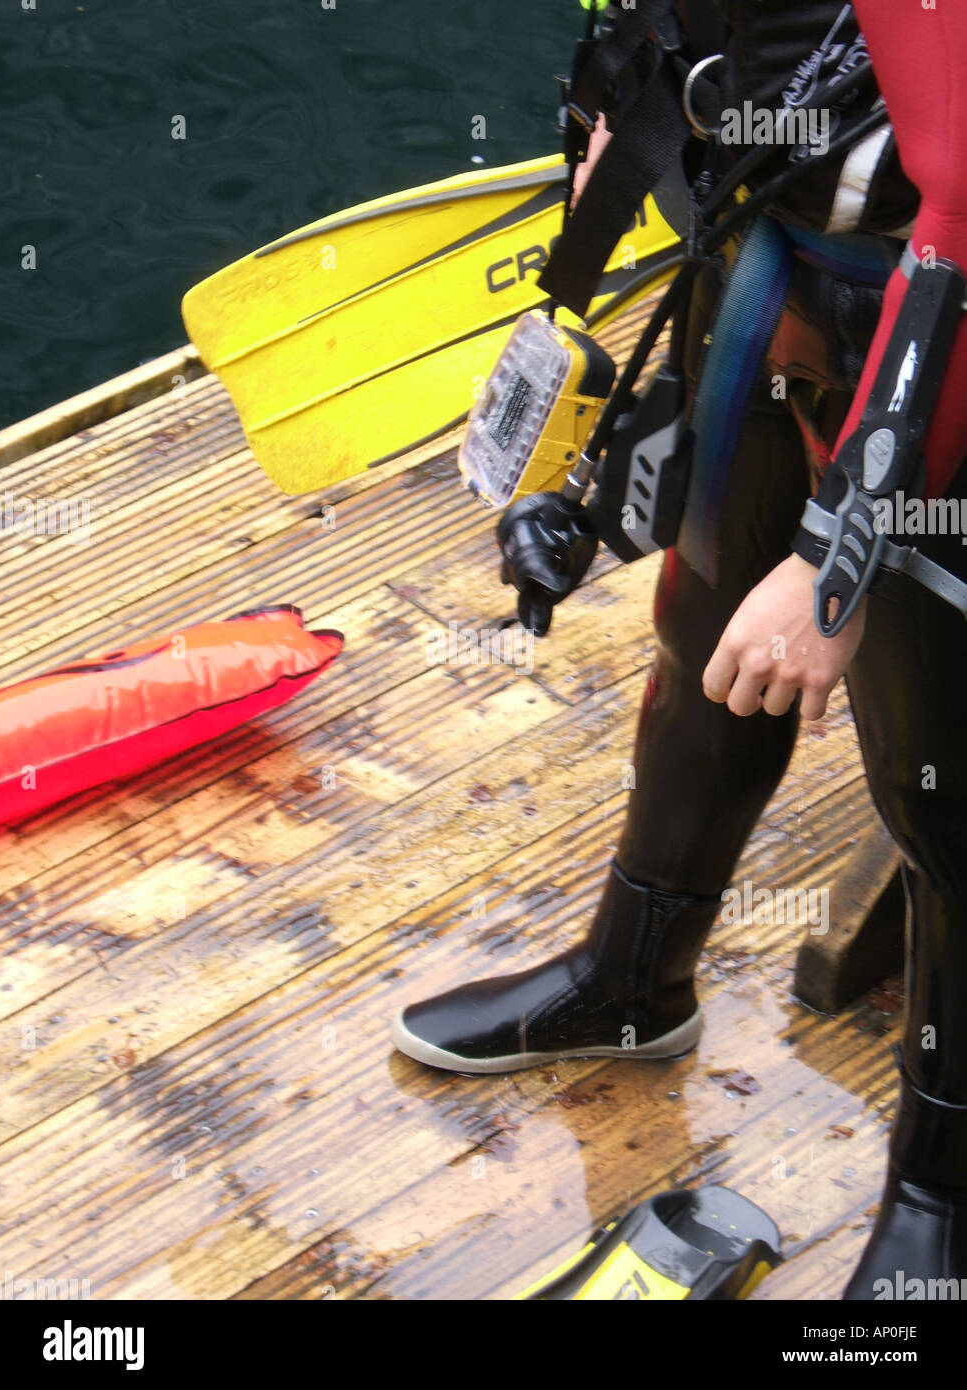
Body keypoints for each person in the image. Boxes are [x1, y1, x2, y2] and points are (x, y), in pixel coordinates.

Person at [393, 0, 967, 1298]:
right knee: (703, 637)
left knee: (942, 787)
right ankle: (631, 980)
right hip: (773, 253)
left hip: (936, 329)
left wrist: (836, 557)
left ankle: (942, 1188)